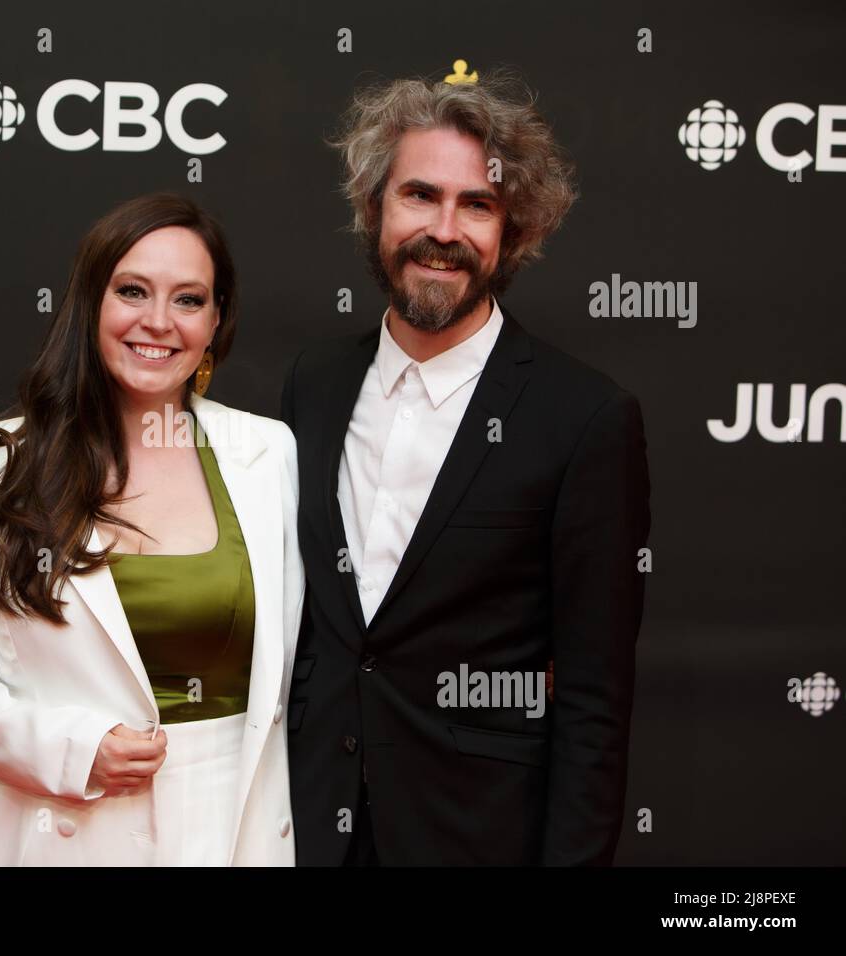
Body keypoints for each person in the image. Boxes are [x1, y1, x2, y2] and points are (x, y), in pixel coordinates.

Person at [281, 70, 651, 865]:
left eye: (477, 204)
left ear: (511, 229)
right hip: (302, 823)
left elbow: (593, 702)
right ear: (375, 206)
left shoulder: (584, 418)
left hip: (476, 837)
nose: (443, 229)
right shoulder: (313, 384)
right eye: (419, 195)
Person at [0, 192, 303, 866]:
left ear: (217, 320)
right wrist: (69, 749)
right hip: (59, 826)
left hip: (232, 830)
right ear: (91, 304)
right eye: (133, 291)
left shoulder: (268, 453)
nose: (158, 322)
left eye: (189, 300)